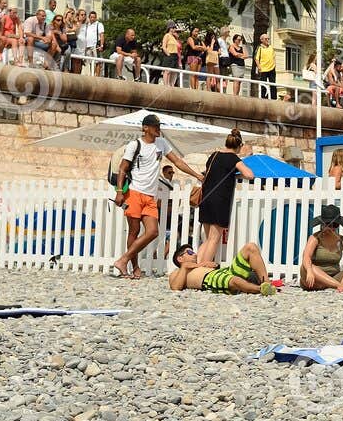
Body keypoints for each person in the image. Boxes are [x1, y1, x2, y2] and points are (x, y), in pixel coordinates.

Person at [111, 115, 204, 278]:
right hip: (133, 192)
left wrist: (198, 175)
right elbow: (123, 169)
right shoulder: (135, 145)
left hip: (150, 196)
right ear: (145, 128)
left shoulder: (161, 143)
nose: (158, 128)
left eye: (159, 125)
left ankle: (123, 260)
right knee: (133, 231)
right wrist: (119, 191)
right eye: (155, 126)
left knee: (153, 231)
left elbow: (178, 162)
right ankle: (134, 267)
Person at [196, 128, 255, 265]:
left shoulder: (214, 155)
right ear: (239, 146)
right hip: (219, 201)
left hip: (206, 198)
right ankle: (203, 268)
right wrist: (238, 174)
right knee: (214, 239)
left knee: (207, 239)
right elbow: (250, 175)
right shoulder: (234, 159)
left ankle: (196, 265)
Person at [167, 242, 276, 296]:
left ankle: (266, 282)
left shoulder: (198, 266)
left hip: (222, 271)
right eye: (190, 252)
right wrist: (186, 266)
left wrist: (201, 265)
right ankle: (261, 290)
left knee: (250, 247)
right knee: (235, 280)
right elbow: (175, 287)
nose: (194, 254)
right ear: (180, 258)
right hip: (210, 279)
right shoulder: (177, 272)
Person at [253, 32, 277, 98]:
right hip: (263, 69)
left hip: (272, 68)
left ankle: (274, 98)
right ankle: (263, 98)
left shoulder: (271, 47)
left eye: (268, 39)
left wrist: (274, 64)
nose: (267, 40)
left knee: (273, 84)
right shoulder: (259, 48)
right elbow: (256, 58)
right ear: (262, 40)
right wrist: (259, 67)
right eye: (266, 39)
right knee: (263, 84)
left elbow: (274, 56)